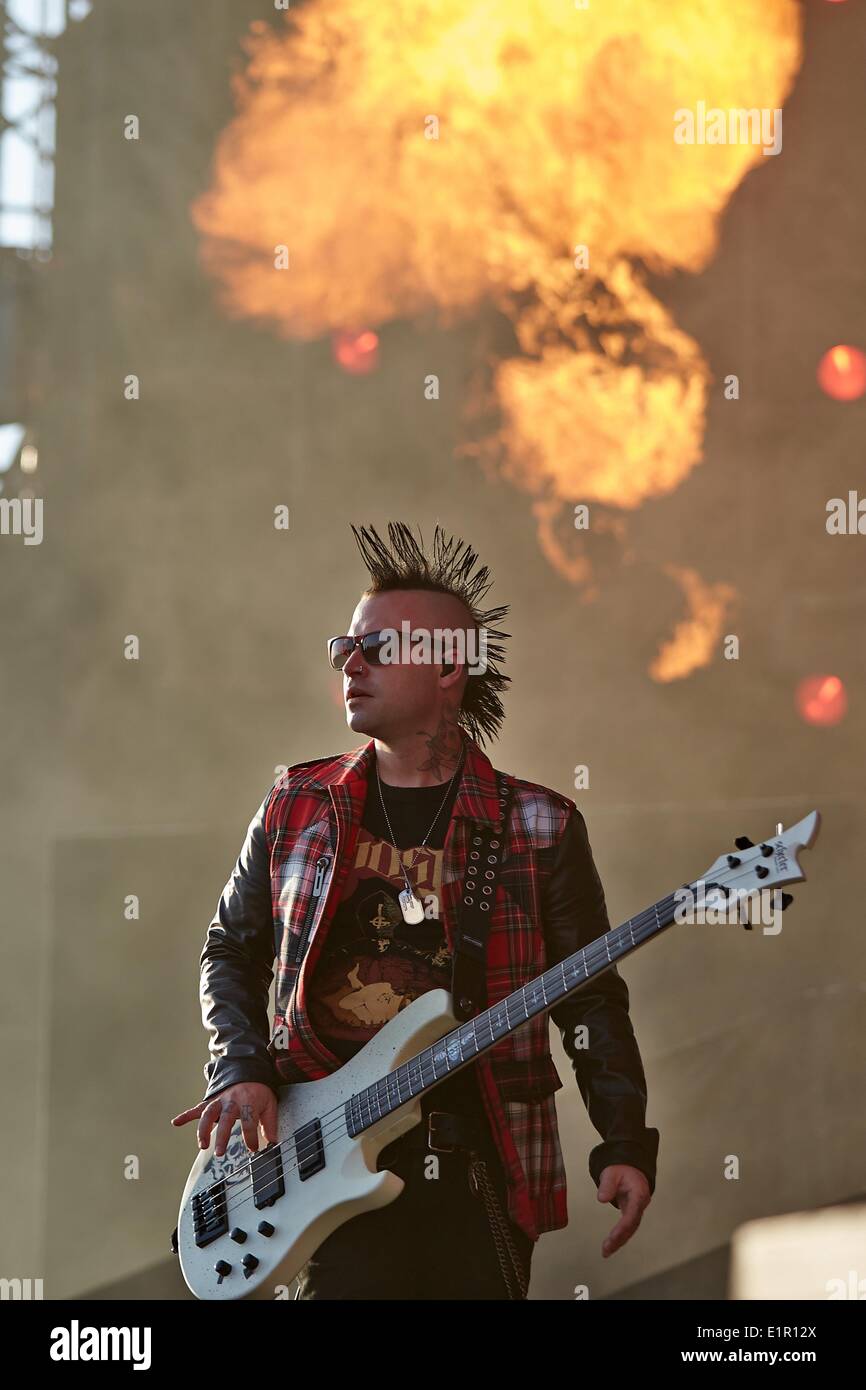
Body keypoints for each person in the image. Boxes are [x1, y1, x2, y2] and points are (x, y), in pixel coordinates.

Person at [171, 521, 659, 1299]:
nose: (350, 665)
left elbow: (588, 995)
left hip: (476, 1160)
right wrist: (239, 1064)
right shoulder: (297, 804)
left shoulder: (537, 824)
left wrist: (625, 1140)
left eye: (378, 649)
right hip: (316, 1158)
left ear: (448, 671)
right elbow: (231, 947)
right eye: (345, 648)